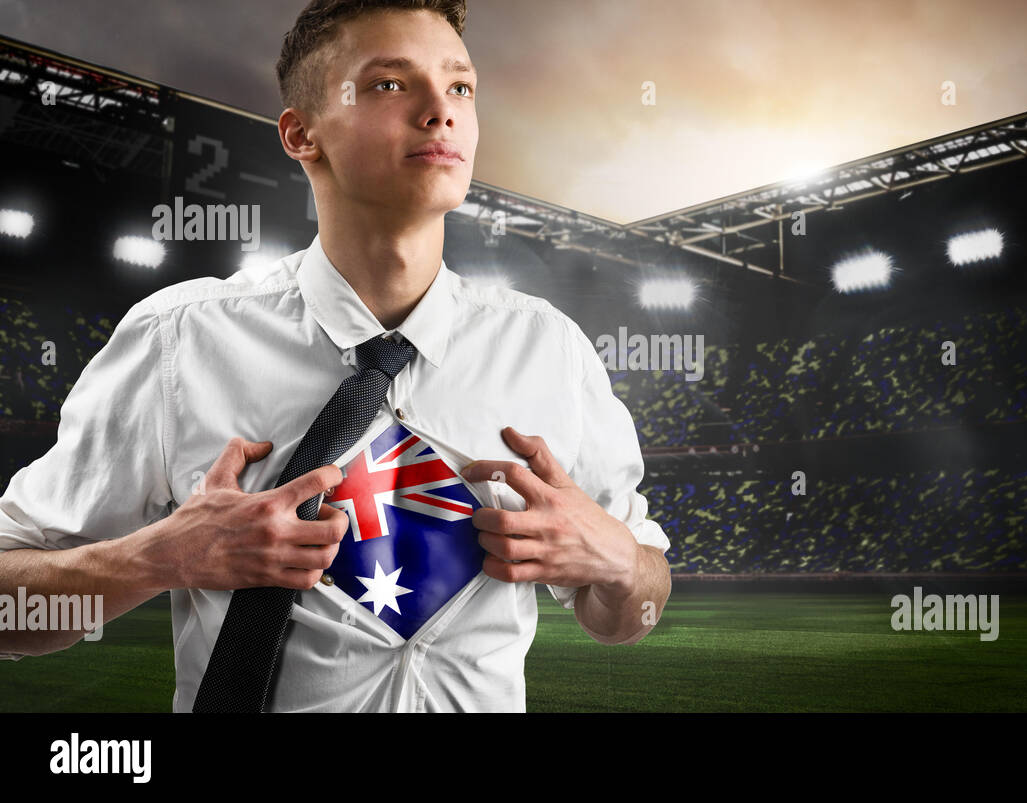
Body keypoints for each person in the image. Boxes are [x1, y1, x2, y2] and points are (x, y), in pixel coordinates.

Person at [0, 0, 671, 712]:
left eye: (460, 87)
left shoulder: (549, 352)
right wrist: (160, 556)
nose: (440, 111)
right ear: (301, 133)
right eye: (390, 83)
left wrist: (621, 563)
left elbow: (632, 613)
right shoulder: (180, 341)